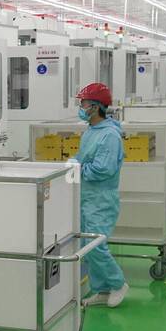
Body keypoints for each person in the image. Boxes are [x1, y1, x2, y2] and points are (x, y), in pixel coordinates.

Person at [71, 83, 128, 308]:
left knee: (95, 246)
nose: (81, 106)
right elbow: (83, 158)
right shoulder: (91, 131)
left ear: (95, 107)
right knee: (87, 246)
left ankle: (118, 283)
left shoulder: (110, 136)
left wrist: (76, 168)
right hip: (86, 197)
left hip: (101, 200)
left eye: (83, 103)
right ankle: (102, 289)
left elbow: (101, 170)